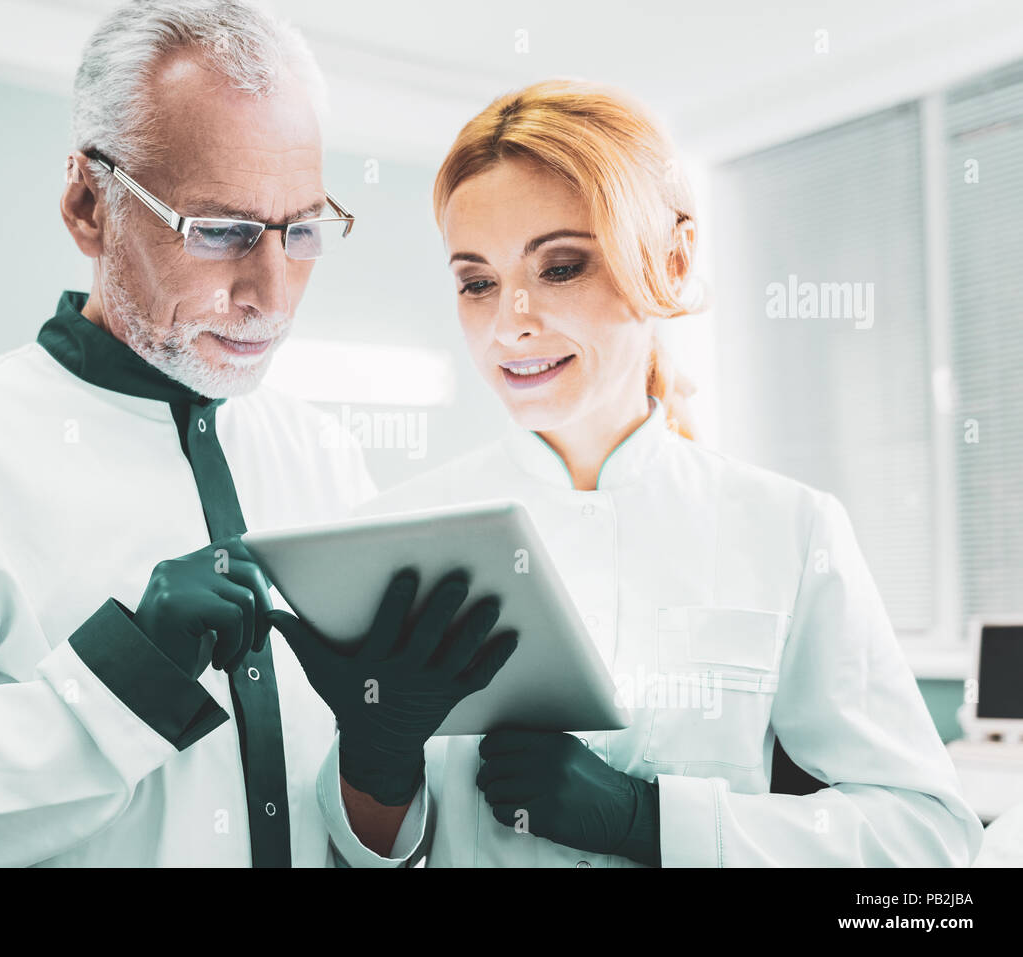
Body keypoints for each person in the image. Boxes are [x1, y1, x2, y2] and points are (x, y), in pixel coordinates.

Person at [0, 0, 502, 868]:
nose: (271, 292)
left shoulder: (324, 453)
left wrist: (381, 763)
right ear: (86, 204)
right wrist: (119, 680)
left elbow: (352, 834)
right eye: (219, 231)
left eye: (301, 231)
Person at [270, 78, 985, 866]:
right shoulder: (394, 532)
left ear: (672, 262)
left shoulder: (788, 526)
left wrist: (648, 819)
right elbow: (355, 853)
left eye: (562, 266)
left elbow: (928, 838)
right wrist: (376, 769)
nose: (512, 322)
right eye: (477, 282)